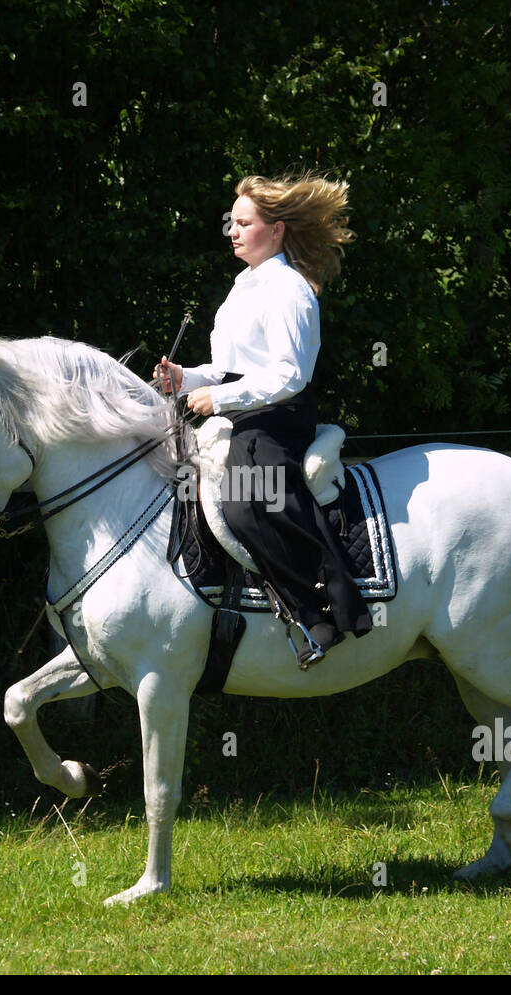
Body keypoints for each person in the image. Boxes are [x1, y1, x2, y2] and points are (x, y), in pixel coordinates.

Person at [154, 172, 372, 667]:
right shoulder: (242, 288)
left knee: (247, 504)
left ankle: (322, 613)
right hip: (245, 407)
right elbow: (227, 366)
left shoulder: (290, 289)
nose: (232, 230)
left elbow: (290, 373)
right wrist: (184, 379)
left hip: (278, 415)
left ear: (275, 230)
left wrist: (221, 398)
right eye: (231, 222)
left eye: (244, 223)